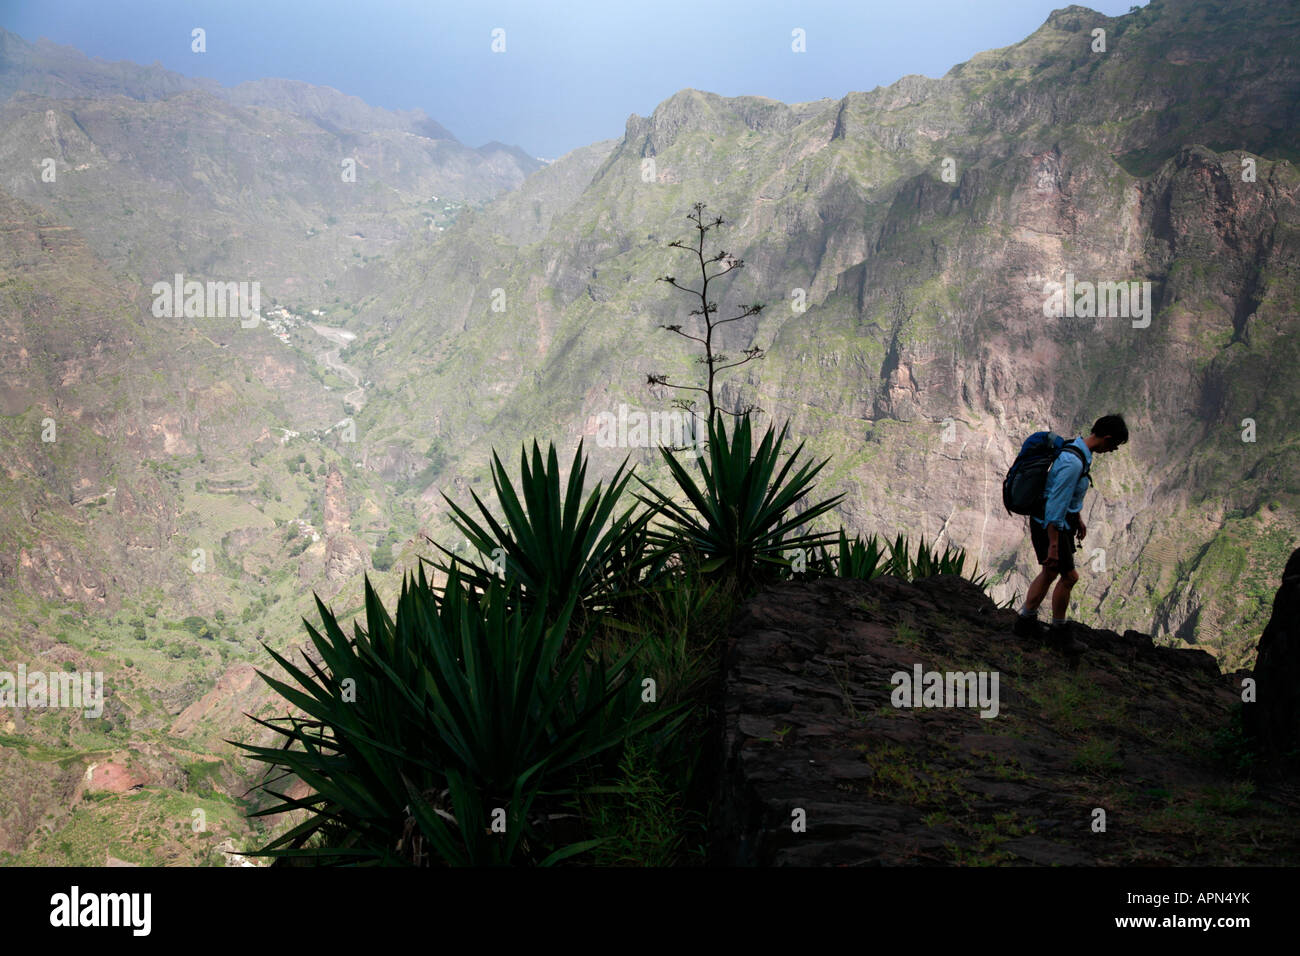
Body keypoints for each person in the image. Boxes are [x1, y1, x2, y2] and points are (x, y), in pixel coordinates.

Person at [1013, 414, 1129, 653]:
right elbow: (1056, 503)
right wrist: (1054, 545)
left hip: (1054, 523)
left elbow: (1068, 496)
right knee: (1069, 577)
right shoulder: (1074, 462)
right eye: (1114, 445)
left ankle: (1025, 622)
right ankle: (1058, 633)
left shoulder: (1077, 452)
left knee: (1049, 572)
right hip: (1052, 526)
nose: (1113, 450)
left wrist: (1077, 518)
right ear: (1106, 438)